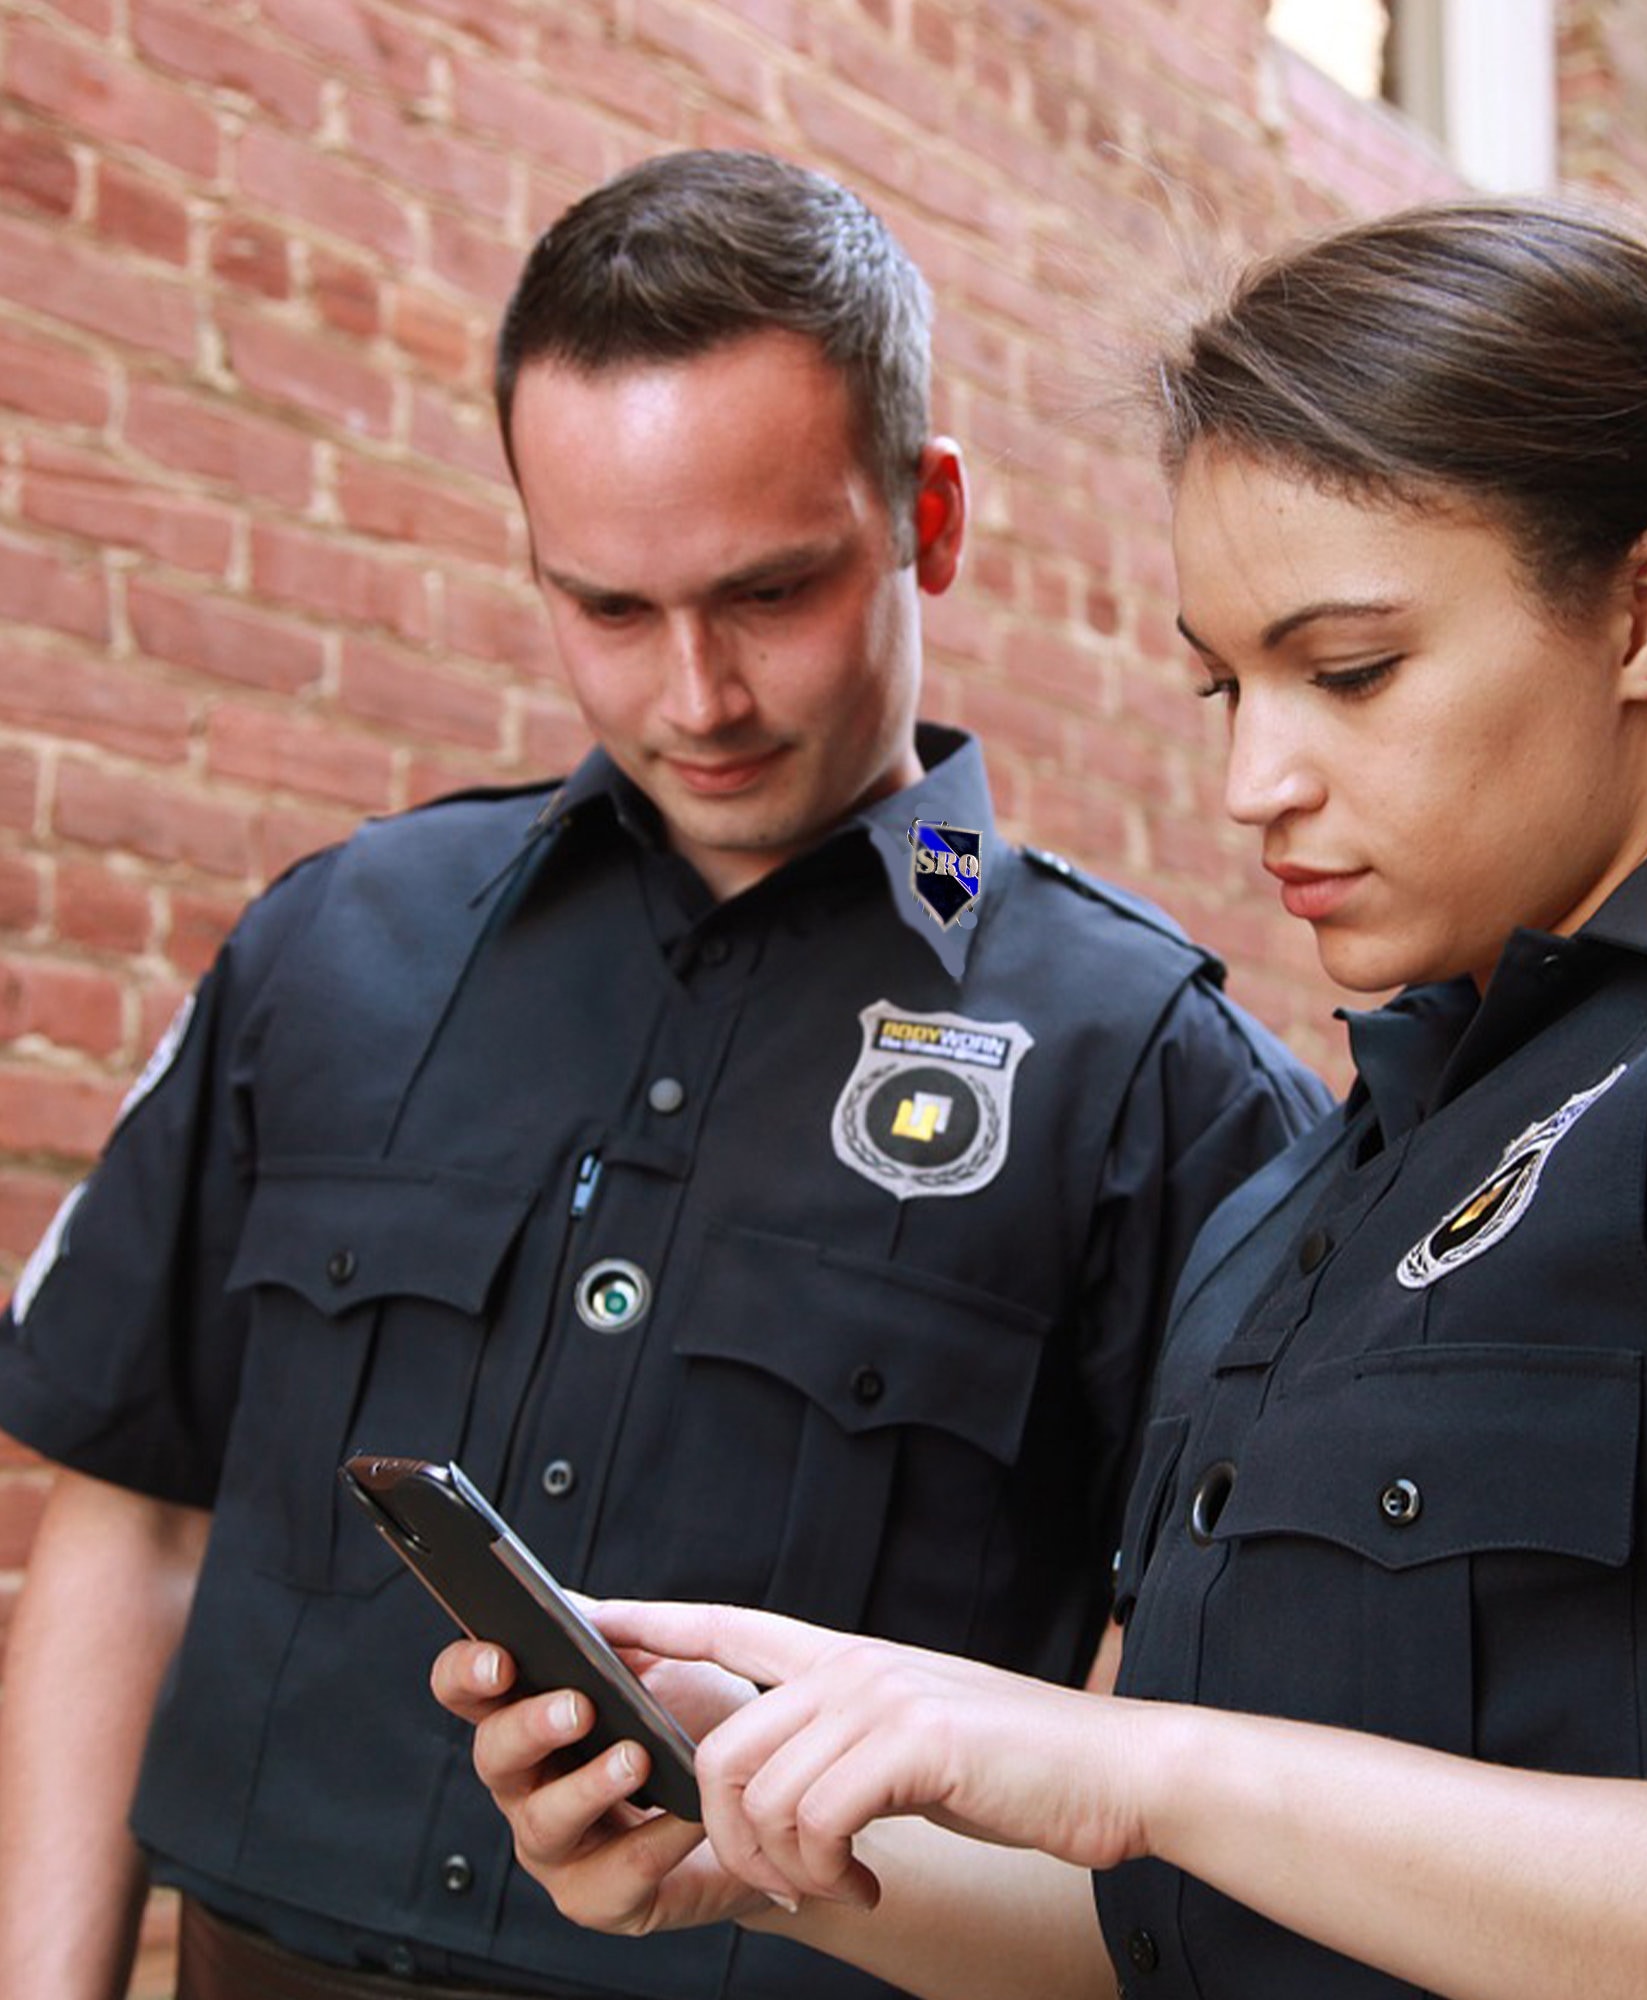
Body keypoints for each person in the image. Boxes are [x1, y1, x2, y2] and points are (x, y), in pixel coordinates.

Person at [436, 195, 1647, 2000]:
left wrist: (1152, 1765)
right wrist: (766, 1834)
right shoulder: (1297, 1204)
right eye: (1222, 683)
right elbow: (1158, 1921)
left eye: (1348, 673)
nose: (1254, 779)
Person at [0, 151, 1328, 2000]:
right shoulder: (336, 943)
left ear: (928, 518)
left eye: (769, 595)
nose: (694, 695)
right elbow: (129, 1516)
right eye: (607, 611)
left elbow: (1190, 1742)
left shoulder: (1154, 1082)